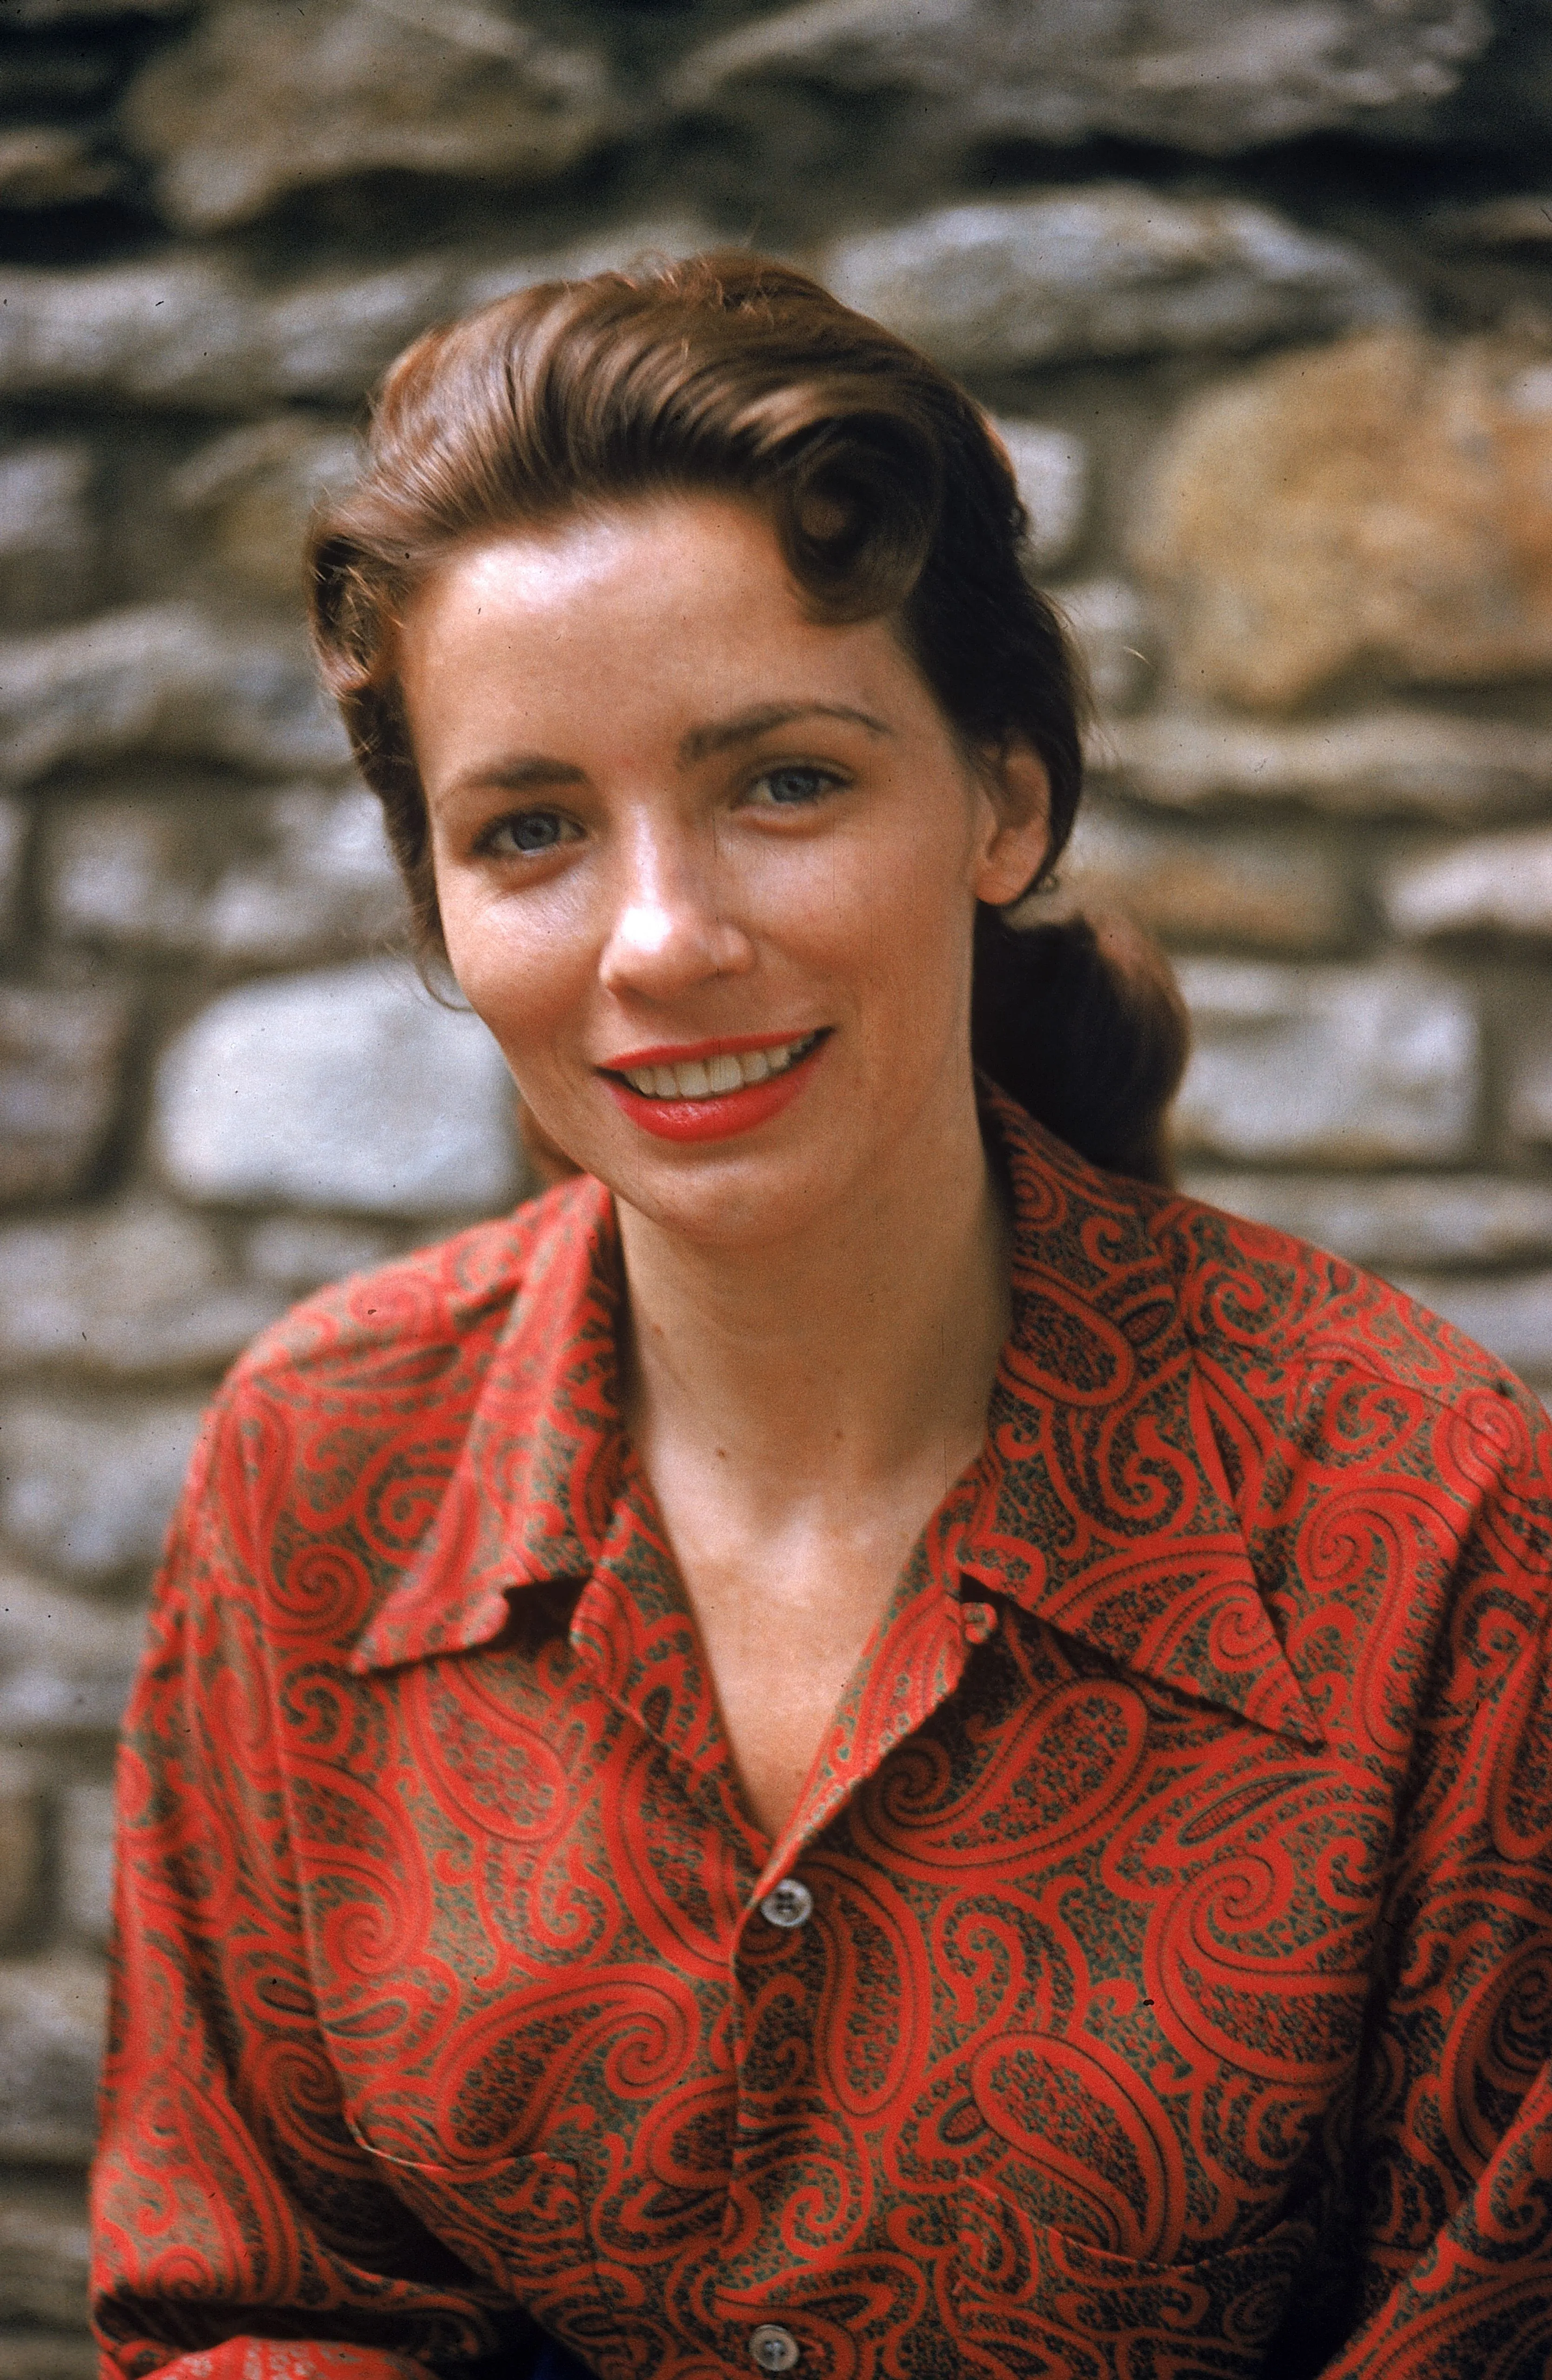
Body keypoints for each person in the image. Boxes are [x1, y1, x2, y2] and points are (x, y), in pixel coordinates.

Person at [90, 255, 1552, 2380]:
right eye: (531, 831)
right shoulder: (315, 1473)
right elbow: (250, 2300)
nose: (664, 942)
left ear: (1006, 800)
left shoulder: (1432, 1521)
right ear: (445, 918)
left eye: (783, 780)